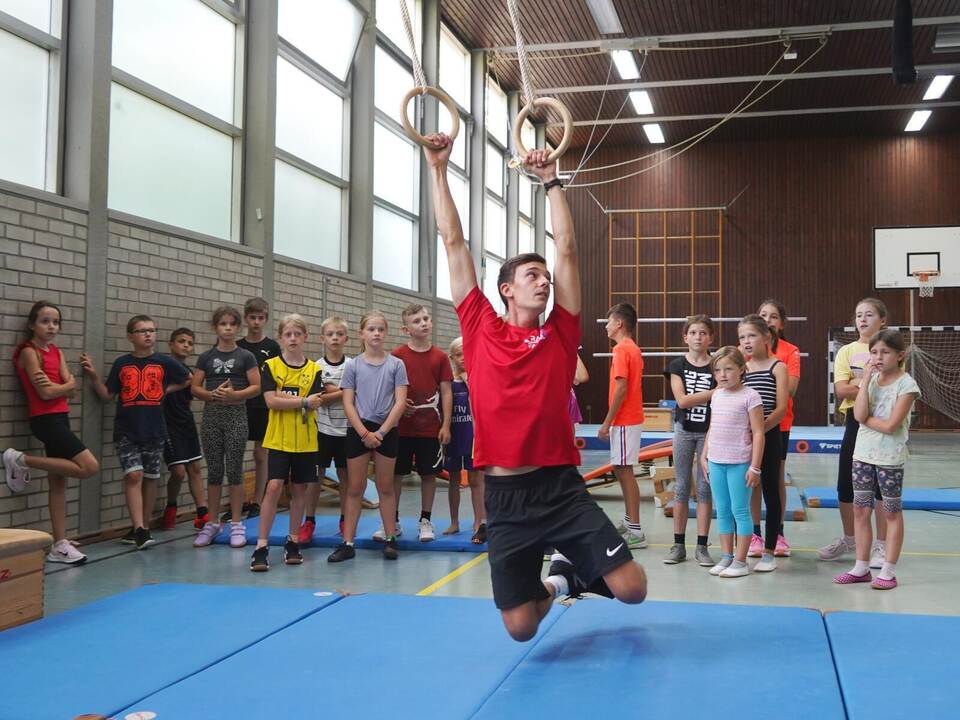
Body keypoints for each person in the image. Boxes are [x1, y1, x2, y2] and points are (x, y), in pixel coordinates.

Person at [425, 132, 647, 643]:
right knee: (522, 627)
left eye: (546, 276)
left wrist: (550, 180)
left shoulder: (561, 332)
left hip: (559, 487)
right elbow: (453, 241)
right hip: (504, 495)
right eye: (532, 275)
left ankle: (572, 567)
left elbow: (567, 248)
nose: (544, 281)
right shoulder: (480, 326)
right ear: (506, 288)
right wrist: (438, 167)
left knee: (633, 588)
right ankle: (560, 578)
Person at [80, 315, 190, 550]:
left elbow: (188, 379)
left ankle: (142, 527)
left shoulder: (163, 362)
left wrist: (165, 390)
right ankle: (139, 528)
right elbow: (107, 394)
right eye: (142, 331)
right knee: (133, 476)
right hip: (127, 430)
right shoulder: (122, 363)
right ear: (131, 336)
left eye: (151, 330)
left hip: (154, 429)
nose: (148, 335)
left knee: (150, 478)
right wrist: (92, 376)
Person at [3, 301, 99, 564]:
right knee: (89, 467)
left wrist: (65, 386)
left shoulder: (55, 352)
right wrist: (64, 386)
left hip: (60, 417)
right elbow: (45, 393)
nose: (51, 326)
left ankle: (59, 544)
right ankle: (21, 459)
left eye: (55, 322)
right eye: (45, 321)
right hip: (45, 420)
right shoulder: (28, 351)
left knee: (58, 482)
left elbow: (72, 386)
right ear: (32, 324)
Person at [833, 329, 919, 590]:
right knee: (861, 510)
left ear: (900, 355)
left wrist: (867, 420)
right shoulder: (869, 380)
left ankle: (888, 571)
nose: (878, 357)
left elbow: (892, 425)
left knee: (891, 511)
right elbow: (858, 413)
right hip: (863, 454)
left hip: (889, 457)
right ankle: (861, 567)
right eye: (873, 352)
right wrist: (867, 377)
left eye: (885, 352)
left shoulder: (907, 385)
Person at [328, 311, 408, 562]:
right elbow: (348, 402)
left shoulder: (396, 364)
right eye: (371, 329)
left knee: (385, 487)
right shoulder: (353, 365)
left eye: (380, 329)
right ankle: (348, 542)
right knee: (354, 488)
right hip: (358, 430)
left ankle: (390, 538)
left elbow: (400, 401)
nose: (376, 333)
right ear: (361, 334)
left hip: (386, 430)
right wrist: (364, 432)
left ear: (385, 333)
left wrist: (382, 432)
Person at [249, 315, 324, 572]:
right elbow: (271, 401)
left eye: (297, 334)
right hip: (278, 438)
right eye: (288, 334)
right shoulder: (270, 366)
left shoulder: (314, 369)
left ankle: (293, 541)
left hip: (305, 440)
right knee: (274, 487)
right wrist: (302, 401)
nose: (292, 338)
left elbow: (314, 401)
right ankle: (261, 545)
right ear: (281, 338)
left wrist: (286, 398)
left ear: (305, 337)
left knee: (300, 490)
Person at [819, 298, 889, 565]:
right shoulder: (847, 351)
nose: (862, 319)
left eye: (869, 314)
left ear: (882, 319)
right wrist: (869, 380)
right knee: (845, 484)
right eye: (859, 314)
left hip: (883, 421)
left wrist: (857, 381)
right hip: (854, 422)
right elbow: (841, 390)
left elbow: (891, 385)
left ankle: (880, 545)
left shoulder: (891, 348)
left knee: (881, 485)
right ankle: (850, 539)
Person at [191, 306, 261, 549]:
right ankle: (212, 522)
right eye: (223, 324)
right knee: (214, 470)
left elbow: (256, 386)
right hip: (212, 417)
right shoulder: (206, 357)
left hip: (236, 416)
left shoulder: (245, 356)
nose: (228, 328)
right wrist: (210, 395)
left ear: (238, 327)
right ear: (216, 328)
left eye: (232, 324)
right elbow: (195, 387)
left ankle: (237, 522)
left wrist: (235, 395)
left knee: (234, 468)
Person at [387, 304, 453, 543]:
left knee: (428, 475)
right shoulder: (396, 356)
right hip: (401, 429)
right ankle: (391, 521)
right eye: (417, 321)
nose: (423, 323)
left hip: (430, 428)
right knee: (396, 475)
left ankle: (425, 520)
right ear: (406, 329)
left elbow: (446, 392)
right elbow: (389, 389)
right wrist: (398, 404)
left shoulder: (440, 357)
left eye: (426, 318)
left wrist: (445, 425)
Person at [700, 346, 765, 578]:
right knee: (723, 511)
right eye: (718, 370)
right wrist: (704, 455)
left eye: (729, 369)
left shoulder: (750, 396)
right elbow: (712, 427)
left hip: (739, 462)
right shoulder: (716, 395)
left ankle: (740, 561)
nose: (723, 374)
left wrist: (755, 466)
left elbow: (758, 433)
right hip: (716, 461)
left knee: (740, 511)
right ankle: (726, 556)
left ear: (742, 369)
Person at [662, 314, 716, 566]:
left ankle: (702, 546)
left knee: (705, 488)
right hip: (684, 431)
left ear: (710, 338)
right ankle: (678, 544)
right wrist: (715, 391)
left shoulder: (716, 366)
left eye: (703, 333)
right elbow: (682, 401)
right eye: (693, 332)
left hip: (708, 431)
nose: (698, 337)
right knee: (682, 486)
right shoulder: (676, 366)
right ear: (685, 337)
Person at [739, 315, 788, 572]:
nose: (747, 342)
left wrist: (760, 429)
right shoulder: (741, 369)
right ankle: (745, 545)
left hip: (769, 435)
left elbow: (781, 408)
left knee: (770, 490)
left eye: (752, 336)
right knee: (744, 493)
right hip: (744, 438)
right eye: (742, 338)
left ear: (767, 337)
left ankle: (769, 550)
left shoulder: (777, 367)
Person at [598, 302, 647, 549]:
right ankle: (630, 523)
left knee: (625, 472)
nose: (606, 327)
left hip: (625, 420)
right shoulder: (632, 349)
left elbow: (621, 388)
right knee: (621, 469)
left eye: (608, 322)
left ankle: (636, 530)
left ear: (619, 324)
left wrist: (607, 422)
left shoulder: (621, 350)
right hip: (628, 419)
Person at [300, 316, 351, 544]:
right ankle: (309, 520)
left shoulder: (352, 365)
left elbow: (356, 394)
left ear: (346, 338)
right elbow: (318, 400)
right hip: (321, 429)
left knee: (345, 476)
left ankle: (345, 519)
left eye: (339, 334)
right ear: (322, 338)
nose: (335, 338)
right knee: (315, 477)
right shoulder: (315, 367)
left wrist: (334, 390)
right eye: (330, 334)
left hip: (346, 429)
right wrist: (345, 390)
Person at [758, 299, 799, 557]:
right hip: (748, 425)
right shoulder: (745, 348)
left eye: (773, 316)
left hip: (778, 423)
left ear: (781, 324)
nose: (768, 320)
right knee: (751, 479)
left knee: (775, 478)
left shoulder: (789, 352)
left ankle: (778, 533)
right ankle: (753, 533)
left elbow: (791, 389)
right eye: (763, 315)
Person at [237, 297, 281, 519]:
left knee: (260, 453)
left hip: (263, 405)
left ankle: (257, 500)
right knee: (235, 452)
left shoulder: (271, 346)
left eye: (260, 318)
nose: (256, 322)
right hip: (241, 404)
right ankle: (237, 502)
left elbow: (278, 376)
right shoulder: (239, 346)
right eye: (252, 317)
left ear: (266, 320)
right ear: (246, 319)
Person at [160, 327, 208, 530]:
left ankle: (202, 513)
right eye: (181, 341)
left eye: (190, 343)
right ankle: (171, 506)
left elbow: (192, 398)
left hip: (185, 423)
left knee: (195, 468)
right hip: (166, 425)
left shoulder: (190, 373)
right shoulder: (162, 369)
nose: (186, 346)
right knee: (178, 471)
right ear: (171, 344)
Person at [444, 336, 485, 542]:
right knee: (453, 480)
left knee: (476, 480)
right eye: (458, 355)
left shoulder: (477, 378)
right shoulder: (449, 383)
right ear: (452, 358)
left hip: (473, 437)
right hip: (454, 436)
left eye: (466, 353)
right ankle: (454, 521)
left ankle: (479, 520)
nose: (463, 358)